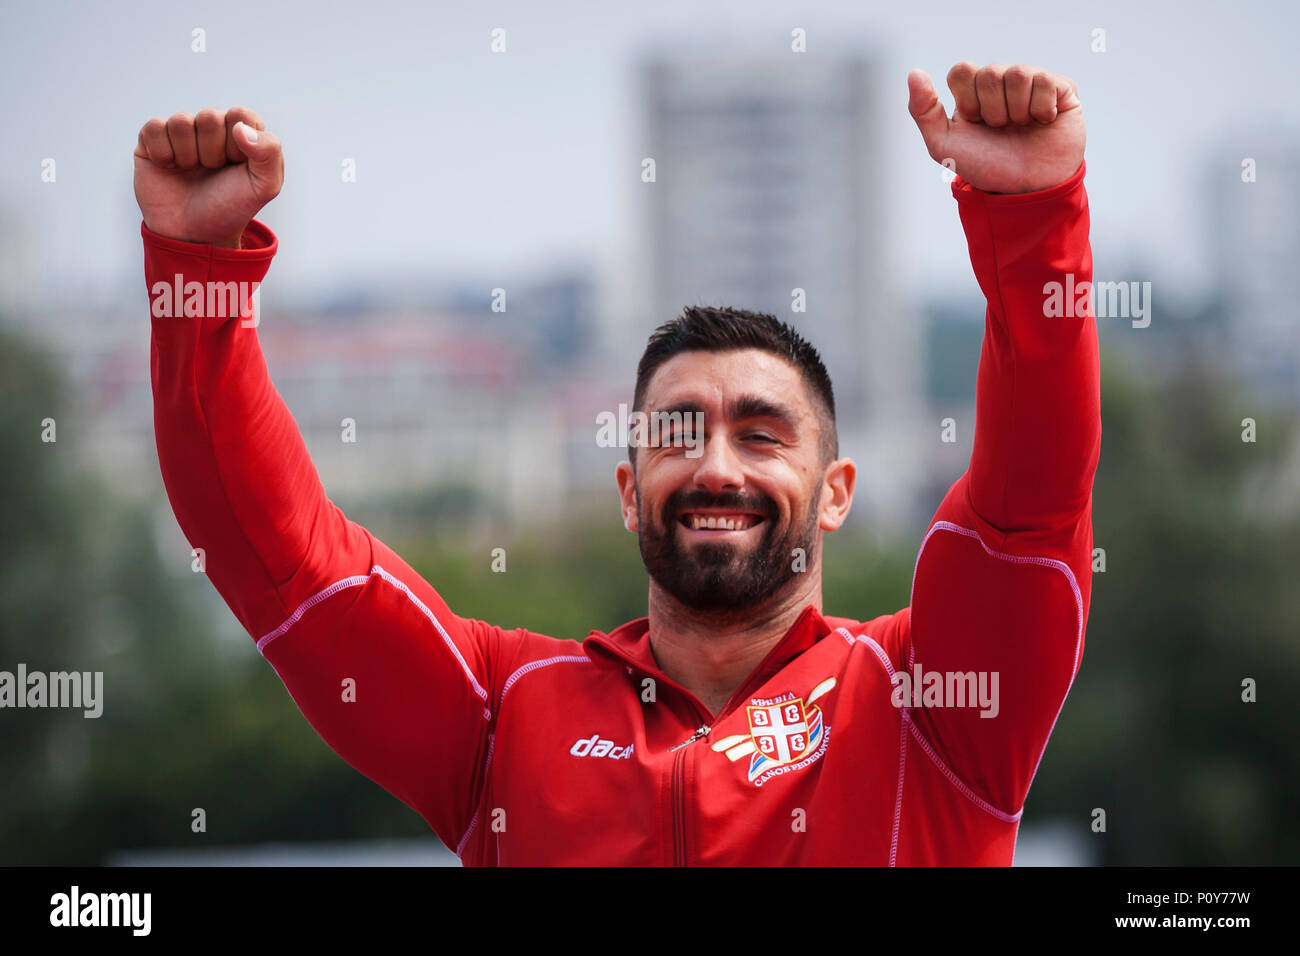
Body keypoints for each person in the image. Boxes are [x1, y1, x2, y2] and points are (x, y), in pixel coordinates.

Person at [134, 61, 1099, 865]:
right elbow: (281, 559)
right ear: (630, 489)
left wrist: (1032, 220)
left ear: (837, 493)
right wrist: (194, 264)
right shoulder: (502, 717)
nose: (718, 466)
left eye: (763, 434)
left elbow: (1031, 502)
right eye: (679, 432)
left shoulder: (934, 701)